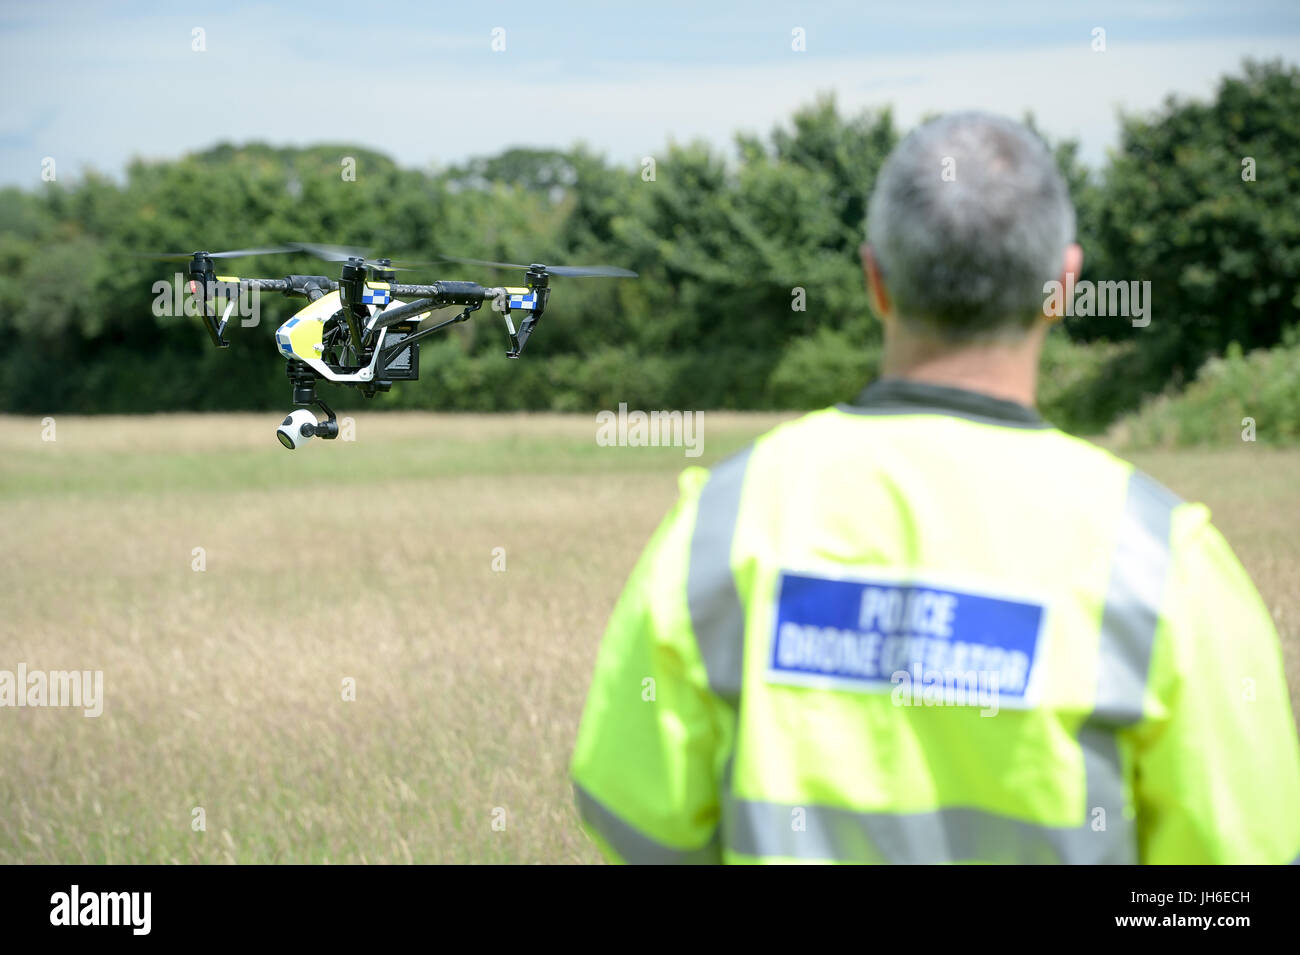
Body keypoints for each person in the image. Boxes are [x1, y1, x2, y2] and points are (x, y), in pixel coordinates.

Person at [569, 112, 1300, 864]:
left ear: (874, 278)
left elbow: (630, 813)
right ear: (1064, 286)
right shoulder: (1165, 562)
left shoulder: (721, 525)